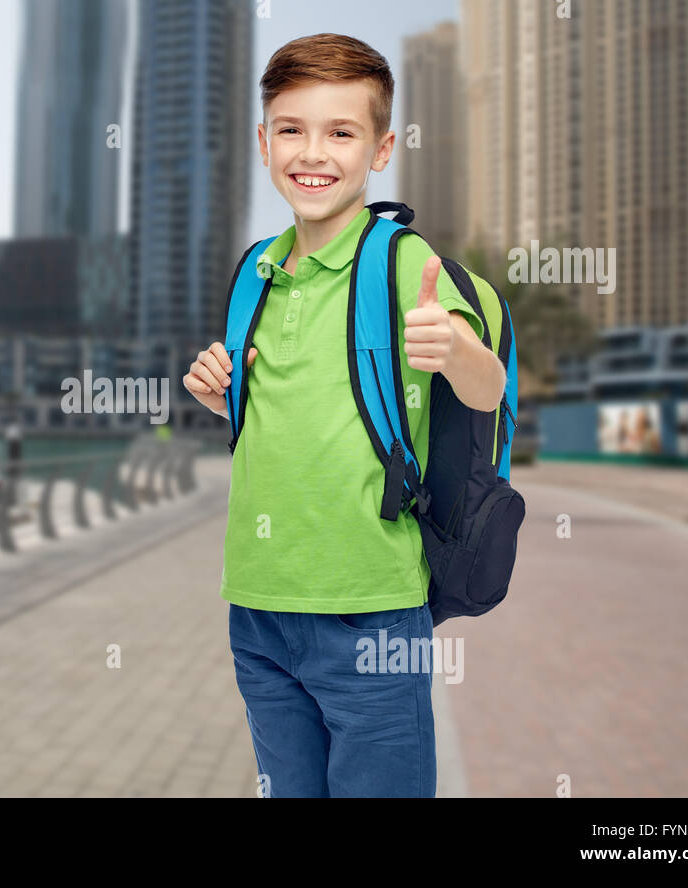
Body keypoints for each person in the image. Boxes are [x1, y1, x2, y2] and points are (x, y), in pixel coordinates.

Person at [182, 34, 506, 798]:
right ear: (264, 142)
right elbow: (277, 412)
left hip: (371, 613)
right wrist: (216, 395)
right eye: (291, 129)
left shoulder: (402, 264)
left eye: (341, 132)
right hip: (257, 607)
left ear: (382, 148)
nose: (312, 153)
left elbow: (487, 388)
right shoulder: (255, 272)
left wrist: (452, 349)